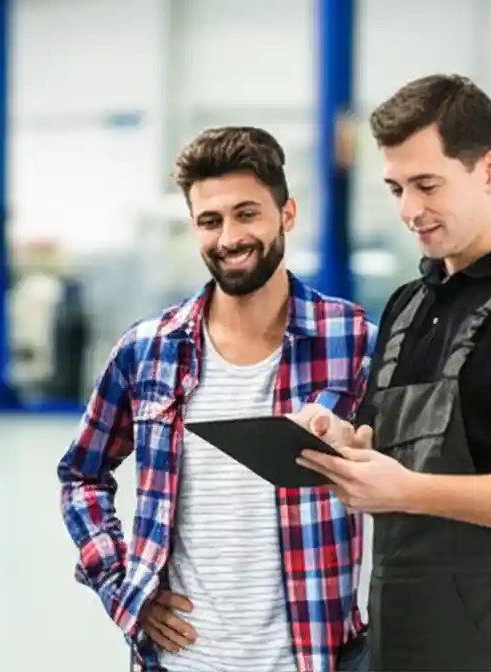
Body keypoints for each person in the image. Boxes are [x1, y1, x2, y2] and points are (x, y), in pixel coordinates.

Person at [293, 74, 491, 671]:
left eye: (427, 185)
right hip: (399, 638)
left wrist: (412, 493)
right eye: (395, 188)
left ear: (489, 170)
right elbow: (391, 444)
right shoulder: (410, 302)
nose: (409, 210)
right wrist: (342, 442)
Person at [58, 127, 377, 672]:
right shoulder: (148, 351)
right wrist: (121, 586)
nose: (228, 237)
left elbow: (408, 476)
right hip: (179, 662)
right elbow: (81, 477)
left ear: (287, 214)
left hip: (313, 658)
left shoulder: (352, 342)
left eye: (246, 214)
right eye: (210, 221)